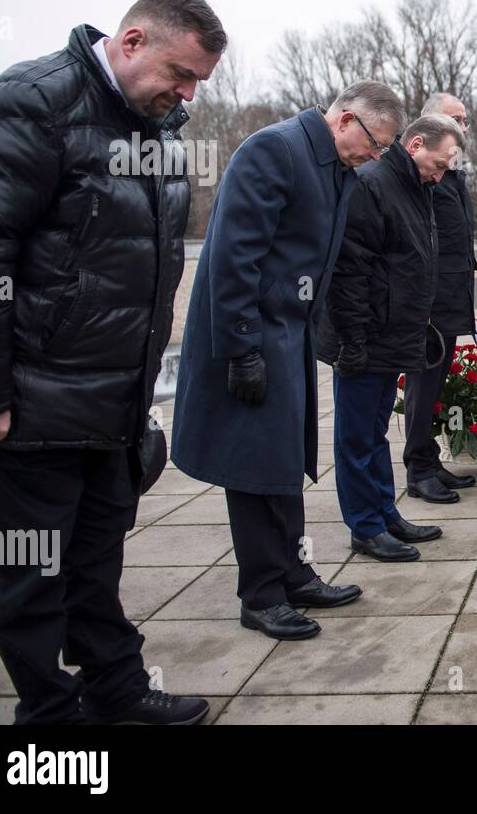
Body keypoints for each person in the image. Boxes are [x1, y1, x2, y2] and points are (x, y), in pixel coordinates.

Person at [0, 0, 225, 724]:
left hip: (112, 404)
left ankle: (117, 689)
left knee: (95, 566)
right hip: (25, 409)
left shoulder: (157, 131)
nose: (187, 93)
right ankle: (51, 715)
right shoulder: (27, 106)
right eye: (181, 72)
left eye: (200, 81)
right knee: (26, 576)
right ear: (131, 40)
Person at [171, 81, 403, 641]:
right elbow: (233, 257)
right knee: (254, 468)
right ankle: (261, 594)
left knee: (284, 462)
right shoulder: (273, 150)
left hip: (289, 334)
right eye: (375, 144)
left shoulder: (334, 167)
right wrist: (242, 347)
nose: (376, 157)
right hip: (252, 339)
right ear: (345, 119)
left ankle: (294, 572)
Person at [316, 113, 466, 561]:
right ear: (415, 143)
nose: (441, 175)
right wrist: (353, 343)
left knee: (377, 432)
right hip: (364, 337)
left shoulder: (416, 186)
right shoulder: (372, 182)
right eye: (438, 163)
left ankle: (385, 513)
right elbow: (350, 270)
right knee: (357, 436)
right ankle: (364, 527)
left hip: (393, 334)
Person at [401, 94, 477, 499]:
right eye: (456, 120)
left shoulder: (450, 174)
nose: (463, 128)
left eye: (465, 121)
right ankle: (418, 470)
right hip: (430, 302)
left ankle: (429, 459)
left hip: (451, 296)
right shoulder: (424, 176)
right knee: (422, 385)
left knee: (436, 386)